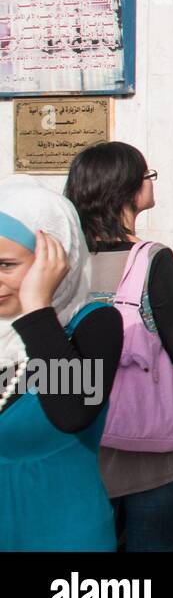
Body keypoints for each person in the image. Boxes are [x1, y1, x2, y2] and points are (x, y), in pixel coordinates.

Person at [65, 142, 173, 552]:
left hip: (84, 434)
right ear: (126, 190)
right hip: (149, 443)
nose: (150, 182)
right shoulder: (153, 258)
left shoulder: (67, 259)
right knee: (153, 542)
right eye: (146, 175)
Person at [0, 175, 124, 551]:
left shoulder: (93, 324)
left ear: (57, 260)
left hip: (63, 538)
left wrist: (38, 308)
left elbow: (71, 413)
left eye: (7, 265)